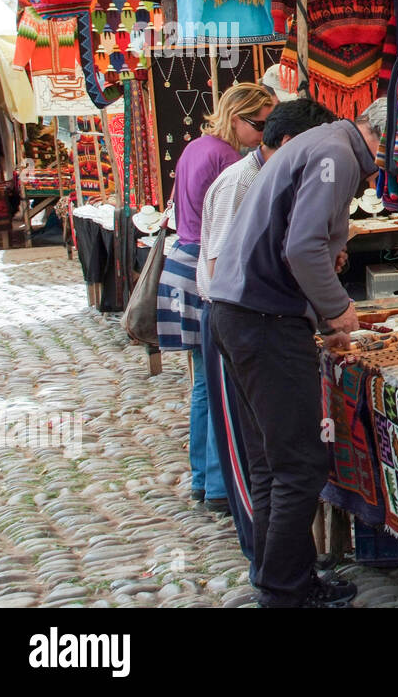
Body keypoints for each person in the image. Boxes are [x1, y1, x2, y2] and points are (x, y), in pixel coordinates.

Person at [208, 98, 384, 608]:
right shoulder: (338, 152)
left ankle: (283, 579)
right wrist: (337, 309)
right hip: (263, 319)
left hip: (240, 310)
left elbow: (300, 240)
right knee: (300, 465)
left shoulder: (321, 144)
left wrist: (319, 301)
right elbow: (302, 248)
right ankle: (284, 593)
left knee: (272, 464)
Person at [195, 98, 337, 570]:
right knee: (280, 462)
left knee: (275, 462)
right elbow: (223, 268)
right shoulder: (242, 181)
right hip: (247, 324)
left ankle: (285, 572)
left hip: (254, 320)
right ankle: (276, 576)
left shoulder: (282, 177)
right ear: (292, 143)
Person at [156, 82, 275, 514]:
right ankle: (222, 482)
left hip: (184, 261)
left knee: (205, 382)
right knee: (219, 382)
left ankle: (205, 477)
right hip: (205, 269)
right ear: (238, 118)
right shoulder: (229, 160)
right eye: (261, 125)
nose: (266, 135)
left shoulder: (196, 148)